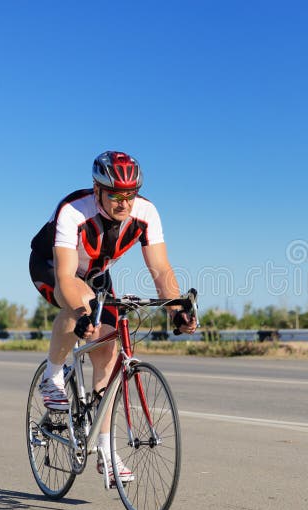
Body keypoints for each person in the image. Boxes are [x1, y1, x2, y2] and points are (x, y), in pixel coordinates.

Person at [29, 150, 196, 483]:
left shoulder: (147, 213)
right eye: (116, 195)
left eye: (130, 194)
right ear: (97, 189)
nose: (124, 202)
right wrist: (80, 312)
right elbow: (65, 278)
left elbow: (161, 270)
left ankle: (105, 450)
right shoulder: (73, 211)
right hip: (51, 266)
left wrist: (177, 309)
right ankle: (52, 375)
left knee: (108, 348)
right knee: (81, 305)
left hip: (95, 273)